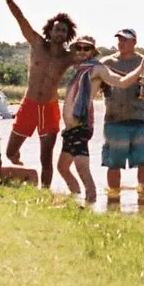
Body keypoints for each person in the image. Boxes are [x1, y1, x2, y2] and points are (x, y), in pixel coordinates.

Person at [0, 0, 84, 187]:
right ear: (50, 32)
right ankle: (21, 171)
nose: (60, 33)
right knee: (10, 152)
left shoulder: (68, 56)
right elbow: (21, 19)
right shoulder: (37, 44)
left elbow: (92, 59)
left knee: (46, 158)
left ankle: (44, 193)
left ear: (67, 35)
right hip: (29, 104)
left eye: (64, 31)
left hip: (50, 108)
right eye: (57, 30)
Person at [93, 28, 144, 208]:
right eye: (119, 39)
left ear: (134, 42)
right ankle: (114, 203)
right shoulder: (106, 63)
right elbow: (94, 88)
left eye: (125, 40)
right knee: (113, 164)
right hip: (114, 119)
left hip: (140, 119)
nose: (121, 43)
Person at [56, 36, 100, 200]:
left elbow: (118, 80)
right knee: (62, 167)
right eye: (79, 48)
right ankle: (75, 196)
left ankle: (91, 202)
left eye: (86, 48)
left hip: (80, 126)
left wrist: (139, 71)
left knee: (83, 170)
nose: (82, 51)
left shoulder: (96, 68)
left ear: (92, 52)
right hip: (70, 129)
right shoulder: (80, 70)